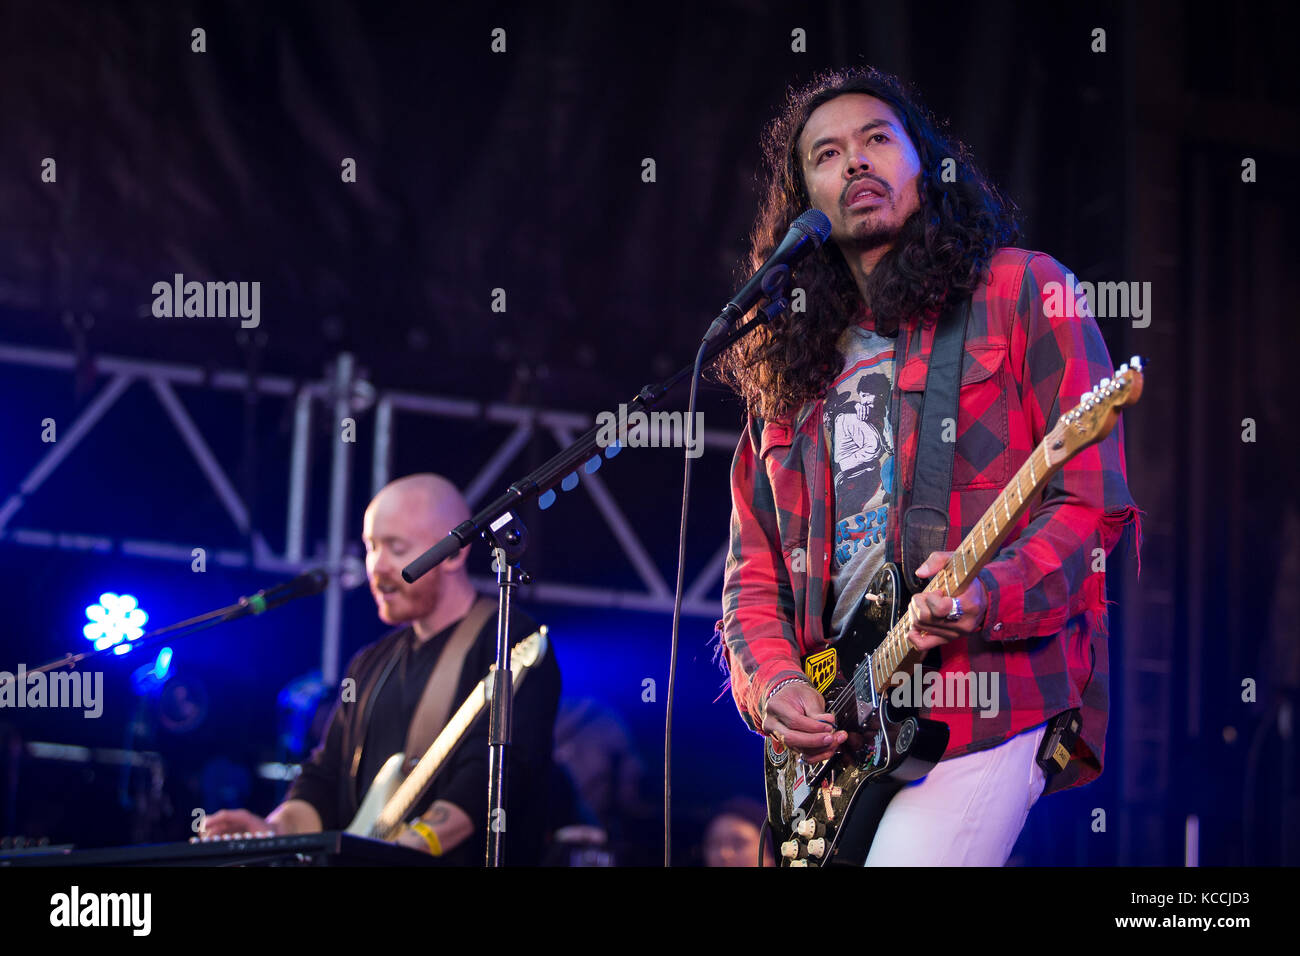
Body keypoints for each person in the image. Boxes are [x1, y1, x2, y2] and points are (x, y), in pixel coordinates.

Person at [713, 66, 1141, 865]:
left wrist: (987, 594)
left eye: (879, 139)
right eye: (827, 154)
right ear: (804, 197)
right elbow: (751, 573)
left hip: (983, 698)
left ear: (924, 162)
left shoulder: (1023, 291)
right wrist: (775, 686)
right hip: (842, 731)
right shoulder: (785, 368)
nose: (856, 163)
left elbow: (1087, 506)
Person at [203, 473, 561, 865]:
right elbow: (325, 777)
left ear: (456, 553)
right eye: (371, 548)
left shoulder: (512, 642)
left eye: (396, 547)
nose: (377, 567)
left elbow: (487, 783)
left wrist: (394, 854)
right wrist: (272, 833)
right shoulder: (369, 663)